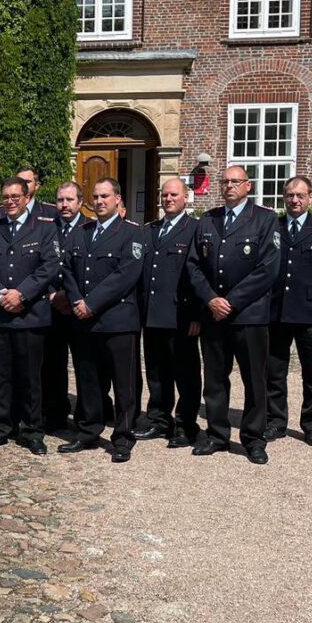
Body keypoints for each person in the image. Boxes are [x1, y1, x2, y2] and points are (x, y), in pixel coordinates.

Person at [186, 165, 280, 465]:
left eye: (235, 182)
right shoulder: (208, 220)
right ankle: (217, 435)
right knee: (214, 379)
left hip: (249, 315)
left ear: (247, 186)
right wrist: (212, 299)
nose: (229, 186)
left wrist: (232, 301)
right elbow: (193, 266)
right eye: (224, 182)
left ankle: (253, 438)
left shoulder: (265, 220)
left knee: (255, 380)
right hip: (214, 315)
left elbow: (267, 270)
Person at [0, 177, 60, 455]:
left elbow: (50, 266)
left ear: (26, 198)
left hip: (30, 314)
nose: (10, 201)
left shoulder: (44, 228)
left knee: (30, 377)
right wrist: (0, 294)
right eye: (6, 197)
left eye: (15, 197)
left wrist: (21, 295)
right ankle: (0, 428)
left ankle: (32, 431)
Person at [59, 179, 144, 461]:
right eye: (95, 197)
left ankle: (123, 436)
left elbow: (125, 276)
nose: (99, 201)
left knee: (124, 384)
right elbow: (68, 270)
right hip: (84, 321)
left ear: (118, 199)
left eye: (105, 196)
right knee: (88, 381)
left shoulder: (131, 233)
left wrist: (91, 303)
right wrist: (76, 303)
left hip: (118, 321)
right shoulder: (81, 232)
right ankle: (88, 431)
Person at [266, 176, 312, 448]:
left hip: (311, 311)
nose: (294, 200)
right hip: (278, 310)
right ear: (284, 198)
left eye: (300, 195)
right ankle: (276, 421)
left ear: (310, 197)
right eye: (289, 195)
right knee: (274, 371)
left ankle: (311, 425)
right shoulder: (274, 227)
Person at [134, 178, 202, 448]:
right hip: (152, 315)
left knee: (185, 374)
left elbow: (200, 275)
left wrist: (198, 313)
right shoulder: (150, 230)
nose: (168, 199)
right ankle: (159, 420)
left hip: (181, 316)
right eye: (164, 195)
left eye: (174, 194)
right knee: (156, 372)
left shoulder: (195, 229)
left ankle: (186, 425)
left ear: (186, 198)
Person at [42, 180, 85, 432]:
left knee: (84, 365)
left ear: (80, 201)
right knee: (52, 364)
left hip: (79, 307)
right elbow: (40, 265)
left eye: (69, 200)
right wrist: (51, 295)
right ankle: (55, 413)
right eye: (60, 200)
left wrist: (70, 297)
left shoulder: (89, 226)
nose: (64, 205)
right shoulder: (47, 228)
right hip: (52, 307)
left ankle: (85, 416)